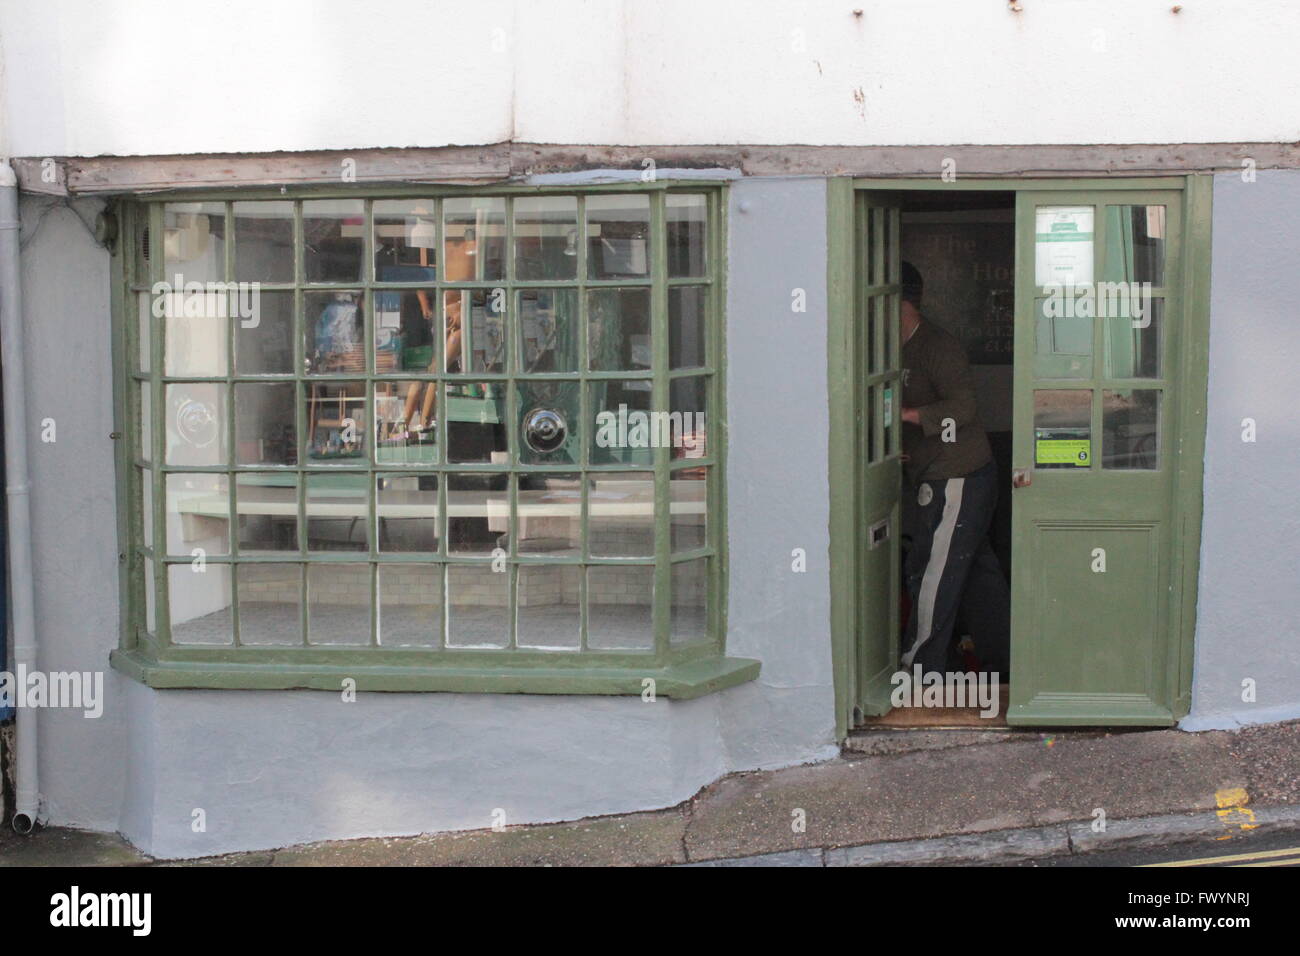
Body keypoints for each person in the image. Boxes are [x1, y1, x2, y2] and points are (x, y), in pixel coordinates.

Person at [898, 261, 1010, 679]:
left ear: (899, 302)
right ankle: (1008, 664)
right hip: (947, 473)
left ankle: (919, 671)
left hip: (958, 477)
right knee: (979, 579)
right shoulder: (900, 347)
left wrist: (906, 414)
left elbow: (962, 409)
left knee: (932, 575)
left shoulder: (937, 347)